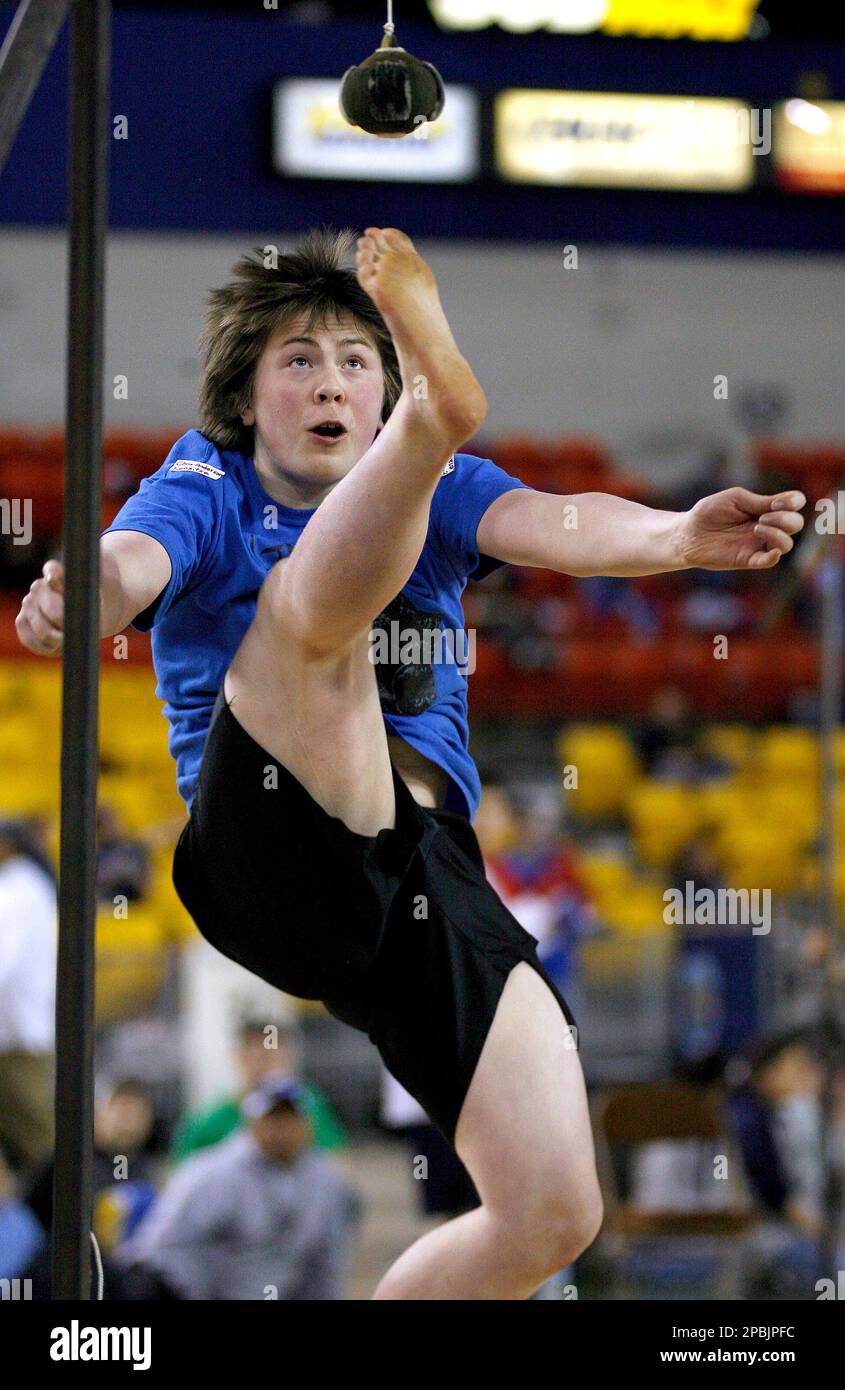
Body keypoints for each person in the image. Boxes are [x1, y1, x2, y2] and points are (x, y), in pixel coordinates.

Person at [16, 225, 806, 1299]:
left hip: (424, 874)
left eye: (354, 361)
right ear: (248, 401)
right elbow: (127, 560)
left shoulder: (443, 492)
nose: (329, 380)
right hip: (266, 839)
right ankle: (436, 415)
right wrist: (81, 591)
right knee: (307, 614)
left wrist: (676, 535)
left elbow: (558, 519)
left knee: (554, 1210)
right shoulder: (203, 482)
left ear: (382, 393)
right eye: (297, 361)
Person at [116, 1076, 358, 1300]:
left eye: (291, 1118)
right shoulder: (210, 1173)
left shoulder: (325, 1182)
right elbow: (163, 1251)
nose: (282, 1129)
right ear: (251, 1123)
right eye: (273, 1119)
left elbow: (325, 1264)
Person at [171, 1015, 346, 1161]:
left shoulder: (308, 1109)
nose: (264, 1065)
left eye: (271, 1055)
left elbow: (336, 1160)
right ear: (239, 1057)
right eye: (257, 1056)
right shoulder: (209, 1122)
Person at [0, 818, 57, 1182]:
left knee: (40, 1145)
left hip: (18, 1041)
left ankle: (62, 1225)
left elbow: (4, 959)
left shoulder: (19, 886)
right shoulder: (28, 886)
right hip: (19, 1037)